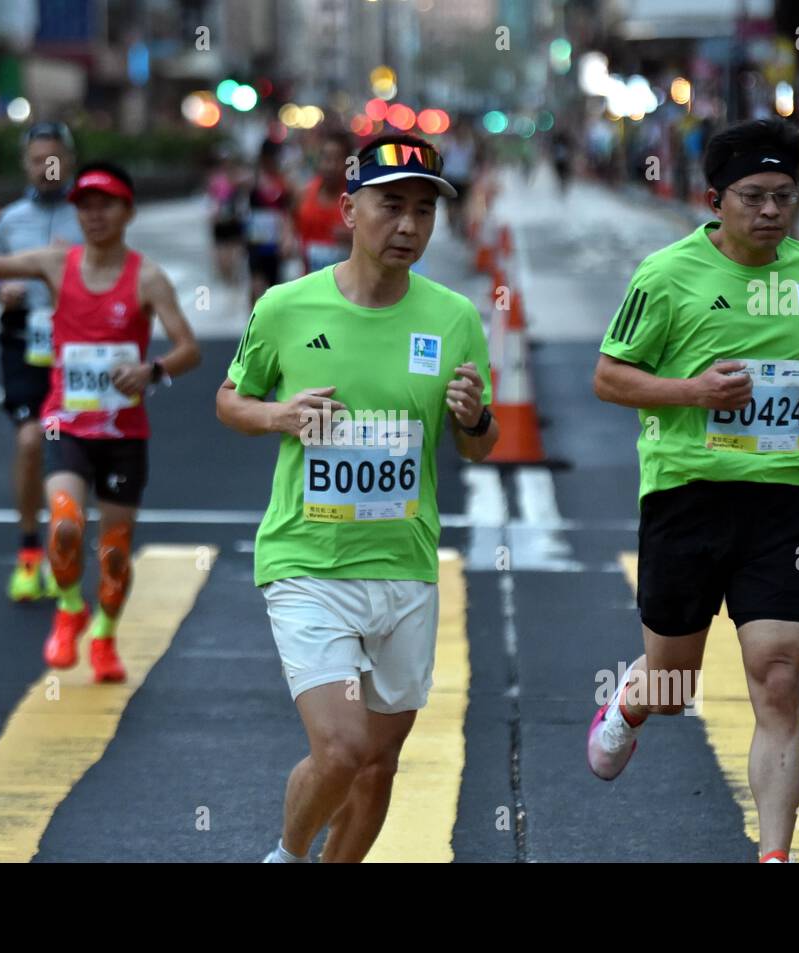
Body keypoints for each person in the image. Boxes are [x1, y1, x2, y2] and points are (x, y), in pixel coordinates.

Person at [216, 134, 499, 862]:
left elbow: (478, 446)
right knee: (340, 749)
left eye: (423, 211)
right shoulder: (285, 307)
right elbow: (230, 400)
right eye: (390, 206)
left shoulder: (455, 319)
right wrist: (278, 414)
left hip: (403, 568)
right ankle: (286, 853)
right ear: (348, 209)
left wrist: (474, 420)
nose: (408, 226)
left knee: (378, 763)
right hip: (307, 560)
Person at [587, 118, 799, 863]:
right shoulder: (665, 275)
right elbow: (608, 376)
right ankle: (631, 703)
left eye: (784, 197)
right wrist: (692, 391)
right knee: (674, 682)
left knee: (777, 677)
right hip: (685, 493)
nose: (771, 211)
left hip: (778, 496)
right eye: (754, 197)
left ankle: (774, 855)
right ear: (713, 199)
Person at [0, 162, 201, 681]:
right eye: (84, 205)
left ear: (128, 212)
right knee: (65, 523)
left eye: (105, 204)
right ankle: (69, 607)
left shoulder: (147, 277)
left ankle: (106, 635)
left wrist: (152, 370)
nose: (94, 215)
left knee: (113, 554)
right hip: (64, 425)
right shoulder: (55, 264)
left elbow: (189, 349)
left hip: (123, 434)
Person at [0, 121, 85, 602]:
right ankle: (28, 552)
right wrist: (0, 289)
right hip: (24, 341)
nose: (46, 168)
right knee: (29, 440)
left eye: (55, 158)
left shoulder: (90, 216)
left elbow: (119, 269)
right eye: (36, 160)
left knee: (71, 449)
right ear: (24, 165)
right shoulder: (10, 221)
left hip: (79, 348)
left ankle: (67, 548)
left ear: (69, 161)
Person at [293, 129, 353, 275]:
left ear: (348, 163)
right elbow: (291, 225)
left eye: (337, 159)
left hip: (346, 287)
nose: (331, 166)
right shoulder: (304, 194)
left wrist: (355, 237)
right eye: (326, 158)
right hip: (310, 280)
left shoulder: (356, 198)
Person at [245, 139, 294, 308]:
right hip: (256, 241)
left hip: (275, 241)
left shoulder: (283, 182)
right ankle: (252, 320)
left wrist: (287, 238)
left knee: (274, 286)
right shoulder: (253, 179)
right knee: (256, 283)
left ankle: (271, 320)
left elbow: (288, 212)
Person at [207, 144, 248, 284]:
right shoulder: (215, 178)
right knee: (222, 251)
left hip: (234, 218)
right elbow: (211, 200)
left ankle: (232, 272)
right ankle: (227, 273)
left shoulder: (237, 176)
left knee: (234, 248)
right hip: (220, 219)